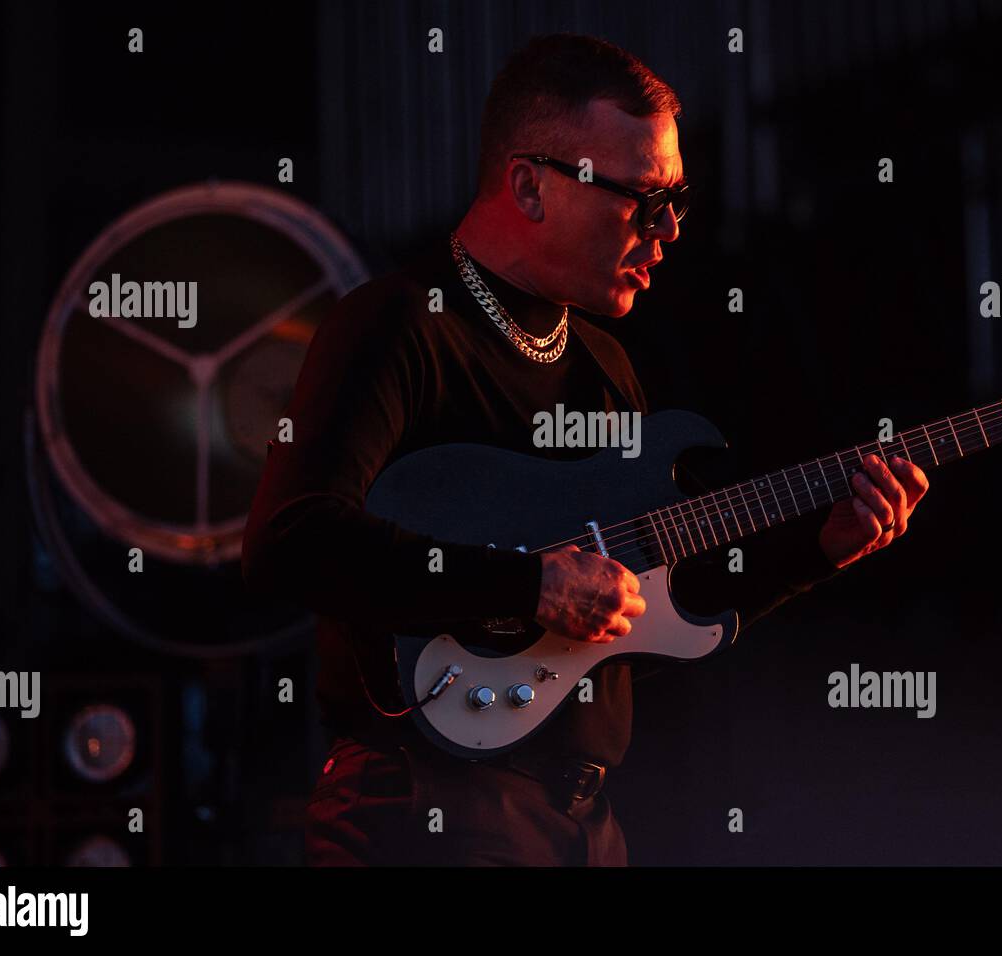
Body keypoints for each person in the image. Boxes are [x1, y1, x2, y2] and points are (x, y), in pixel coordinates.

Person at [242, 33, 929, 866]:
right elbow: (290, 541)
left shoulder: (607, 367)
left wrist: (817, 550)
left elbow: (630, 622)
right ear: (529, 186)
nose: (668, 229)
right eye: (641, 197)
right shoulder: (395, 327)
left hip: (584, 826)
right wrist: (528, 585)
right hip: (422, 815)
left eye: (678, 197)